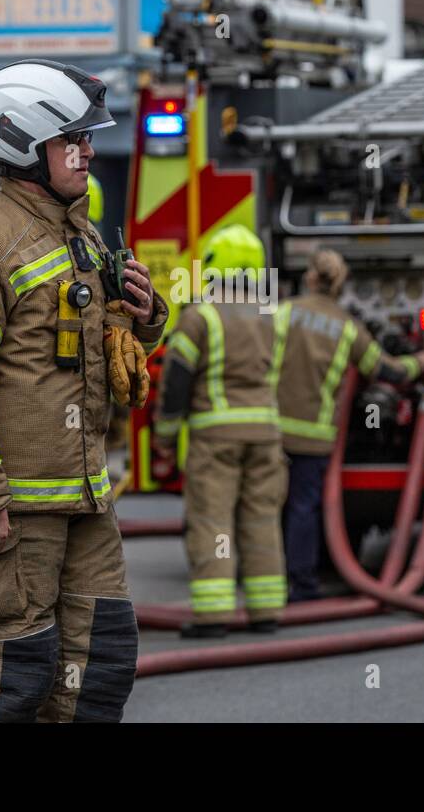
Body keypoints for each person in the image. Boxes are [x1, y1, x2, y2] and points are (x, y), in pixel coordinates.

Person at [0, 58, 167, 723]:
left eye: (85, 137)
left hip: (81, 498)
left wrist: (143, 321)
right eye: (72, 139)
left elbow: (96, 358)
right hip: (5, 511)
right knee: (8, 685)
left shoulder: (78, 233)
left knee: (98, 671)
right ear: (24, 143)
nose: (88, 150)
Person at [273, 248, 424, 602]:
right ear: (341, 285)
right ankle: (303, 585)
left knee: (265, 506)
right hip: (314, 438)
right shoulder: (348, 328)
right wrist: (422, 361)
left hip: (271, 430)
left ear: (309, 277)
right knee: (303, 507)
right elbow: (388, 371)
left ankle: (267, 583)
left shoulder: (283, 314)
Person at [152, 224, 287, 638]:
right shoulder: (273, 315)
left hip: (216, 438)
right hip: (266, 436)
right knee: (261, 518)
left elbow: (175, 383)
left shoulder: (201, 316)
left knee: (213, 522)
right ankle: (266, 611)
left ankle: (213, 615)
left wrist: (165, 439)